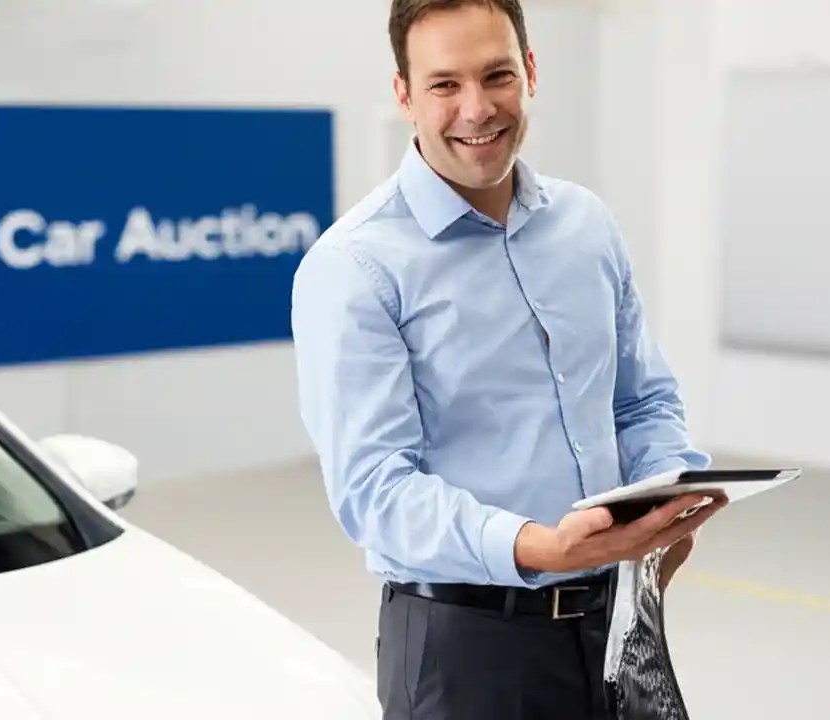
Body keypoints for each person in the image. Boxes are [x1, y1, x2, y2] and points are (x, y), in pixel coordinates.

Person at [289, 1, 726, 718]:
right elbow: (375, 490)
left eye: (496, 75)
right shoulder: (354, 268)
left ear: (529, 70)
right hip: (467, 649)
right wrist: (538, 547)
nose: (477, 108)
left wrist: (661, 507)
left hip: (618, 618)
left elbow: (640, 401)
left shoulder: (585, 225)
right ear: (404, 95)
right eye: (443, 85)